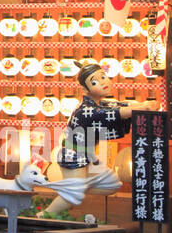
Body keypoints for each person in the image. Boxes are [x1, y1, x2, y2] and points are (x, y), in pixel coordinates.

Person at [42, 63, 159, 215]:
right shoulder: (86, 110)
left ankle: (79, 185)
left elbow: (119, 105)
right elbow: (116, 113)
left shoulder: (99, 104)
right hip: (74, 156)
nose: (104, 82)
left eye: (103, 77)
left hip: (86, 157)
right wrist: (143, 108)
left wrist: (143, 104)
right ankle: (45, 214)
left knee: (111, 182)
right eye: (95, 81)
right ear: (85, 89)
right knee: (73, 195)